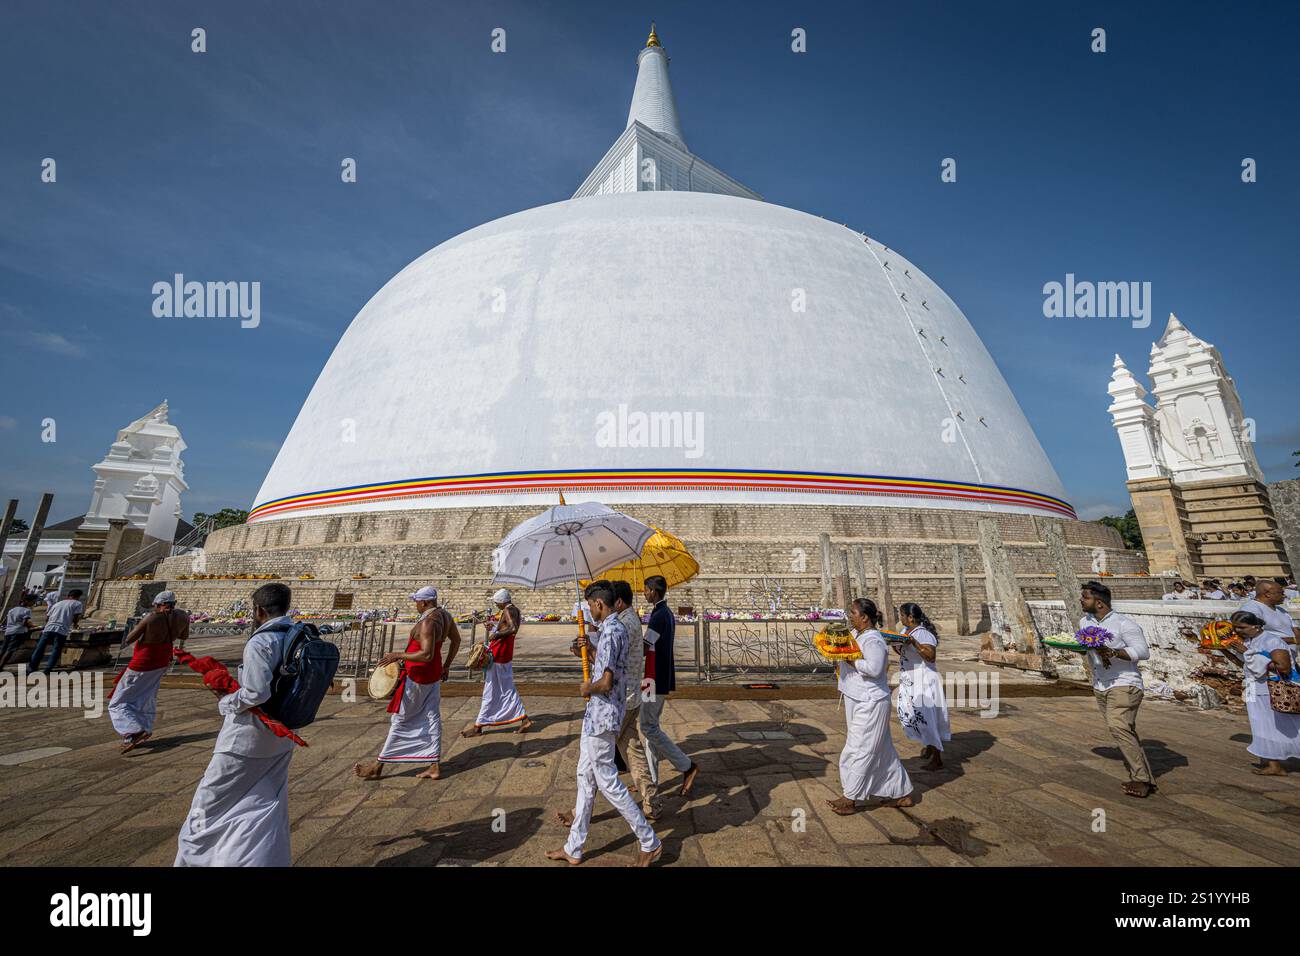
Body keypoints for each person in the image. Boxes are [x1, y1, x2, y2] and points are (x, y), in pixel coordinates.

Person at [175, 583, 298, 866]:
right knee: (263, 808)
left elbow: (257, 693)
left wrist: (226, 700)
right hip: (281, 735)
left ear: (258, 610)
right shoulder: (298, 635)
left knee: (206, 810)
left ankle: (197, 861)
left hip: (246, 740)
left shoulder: (261, 640)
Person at [547, 582, 661, 866]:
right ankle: (574, 846)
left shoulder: (611, 631)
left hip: (603, 714)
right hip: (600, 714)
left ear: (599, 604)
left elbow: (607, 683)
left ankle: (649, 840)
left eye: (589, 606)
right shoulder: (616, 629)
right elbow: (608, 666)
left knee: (607, 782)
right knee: (584, 778)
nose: (588, 611)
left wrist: (589, 688)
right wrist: (586, 653)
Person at [354, 586, 459, 781]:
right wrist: (446, 666)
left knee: (401, 719)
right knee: (431, 716)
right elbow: (456, 640)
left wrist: (397, 655)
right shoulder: (445, 615)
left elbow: (426, 654)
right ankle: (434, 766)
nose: (416, 605)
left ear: (425, 602)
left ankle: (378, 765)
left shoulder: (428, 622)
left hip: (420, 675)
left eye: (417, 602)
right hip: (433, 673)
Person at [828, 597, 913, 814]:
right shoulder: (857, 635)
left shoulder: (873, 640)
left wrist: (851, 660)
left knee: (859, 747)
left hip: (871, 701)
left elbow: (875, 669)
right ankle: (901, 792)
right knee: (882, 749)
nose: (850, 616)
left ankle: (851, 796)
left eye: (853, 613)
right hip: (856, 696)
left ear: (865, 617)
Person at [1079, 581, 1155, 797]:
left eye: (1085, 597)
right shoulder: (1085, 621)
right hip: (1101, 683)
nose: (1081, 600)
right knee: (1123, 730)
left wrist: (1112, 651)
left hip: (1125, 682)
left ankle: (1141, 779)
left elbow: (1142, 652)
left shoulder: (1124, 624)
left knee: (1117, 726)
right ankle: (1142, 773)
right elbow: (1086, 647)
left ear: (1099, 603)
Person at [638, 575, 700, 800]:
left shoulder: (659, 616)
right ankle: (649, 780)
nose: (644, 593)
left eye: (645, 590)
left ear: (654, 591)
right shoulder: (664, 613)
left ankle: (686, 765)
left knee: (648, 727)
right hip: (654, 676)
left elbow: (646, 647)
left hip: (654, 677)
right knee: (648, 725)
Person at [109, 591, 188, 753]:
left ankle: (133, 730)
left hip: (144, 660)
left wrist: (141, 626)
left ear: (159, 604)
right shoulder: (183, 616)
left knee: (118, 702)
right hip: (163, 659)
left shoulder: (152, 617)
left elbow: (129, 638)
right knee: (146, 696)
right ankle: (142, 727)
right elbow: (184, 635)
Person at [1231, 610, 1300, 775]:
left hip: (1273, 690)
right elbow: (1246, 664)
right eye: (1235, 628)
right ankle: (1273, 764)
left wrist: (1248, 653)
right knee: (1261, 727)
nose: (1238, 631)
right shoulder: (1249, 641)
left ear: (1255, 626)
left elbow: (1283, 667)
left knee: (1288, 726)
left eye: (1242, 627)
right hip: (1254, 688)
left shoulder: (1271, 641)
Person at [610, 579, 656, 818]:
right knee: (633, 751)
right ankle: (651, 799)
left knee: (595, 756)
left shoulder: (622, 625)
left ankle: (579, 813)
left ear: (618, 601)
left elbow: (611, 662)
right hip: (632, 697)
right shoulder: (631, 620)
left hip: (618, 700)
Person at [462, 588, 530, 736]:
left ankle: (478, 726)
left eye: (496, 602)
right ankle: (522, 719)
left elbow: (512, 629)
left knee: (493, 689)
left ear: (501, 602)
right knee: (503, 688)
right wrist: (493, 626)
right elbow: (507, 626)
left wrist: (496, 634)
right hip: (503, 653)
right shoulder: (514, 610)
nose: (496, 605)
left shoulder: (507, 611)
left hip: (500, 654)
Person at [894, 602, 950, 771]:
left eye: (902, 615)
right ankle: (930, 746)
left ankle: (937, 757)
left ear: (910, 617)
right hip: (910, 680)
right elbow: (904, 652)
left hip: (924, 681)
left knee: (927, 718)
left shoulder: (923, 634)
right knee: (913, 714)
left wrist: (914, 643)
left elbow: (930, 656)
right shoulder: (905, 631)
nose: (900, 618)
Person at [29, 588, 83, 674]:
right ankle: (47, 669)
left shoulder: (58, 603)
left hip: (48, 628)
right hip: (61, 630)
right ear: (78, 597)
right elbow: (76, 616)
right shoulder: (77, 603)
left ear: (68, 595)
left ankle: (32, 668)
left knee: (40, 648)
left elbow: (47, 617)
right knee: (56, 649)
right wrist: (75, 624)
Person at [1240, 581, 1299, 646]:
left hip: (1288, 655)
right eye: (1281, 593)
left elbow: (1294, 628)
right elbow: (1255, 637)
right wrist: (1292, 640)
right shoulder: (1251, 609)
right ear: (1267, 594)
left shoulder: (1280, 609)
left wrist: (1296, 639)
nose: (1284, 596)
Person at [1, 593, 39, 668]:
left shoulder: (12, 610)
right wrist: (37, 626)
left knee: (3, 649)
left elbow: (6, 621)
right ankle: (1, 666)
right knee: (10, 651)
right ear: (27, 601)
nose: (34, 603)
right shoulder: (27, 611)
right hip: (18, 632)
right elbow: (26, 623)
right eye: (33, 602)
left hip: (8, 631)